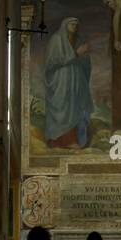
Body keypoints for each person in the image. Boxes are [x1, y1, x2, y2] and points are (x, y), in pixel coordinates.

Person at [44, 17, 93, 149]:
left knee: (75, 109)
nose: (75, 27)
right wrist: (76, 53)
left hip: (75, 82)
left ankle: (73, 140)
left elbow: (84, 62)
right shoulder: (56, 39)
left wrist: (84, 56)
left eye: (77, 25)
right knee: (63, 109)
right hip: (61, 82)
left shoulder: (77, 40)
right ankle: (58, 141)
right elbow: (53, 62)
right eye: (72, 24)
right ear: (65, 25)